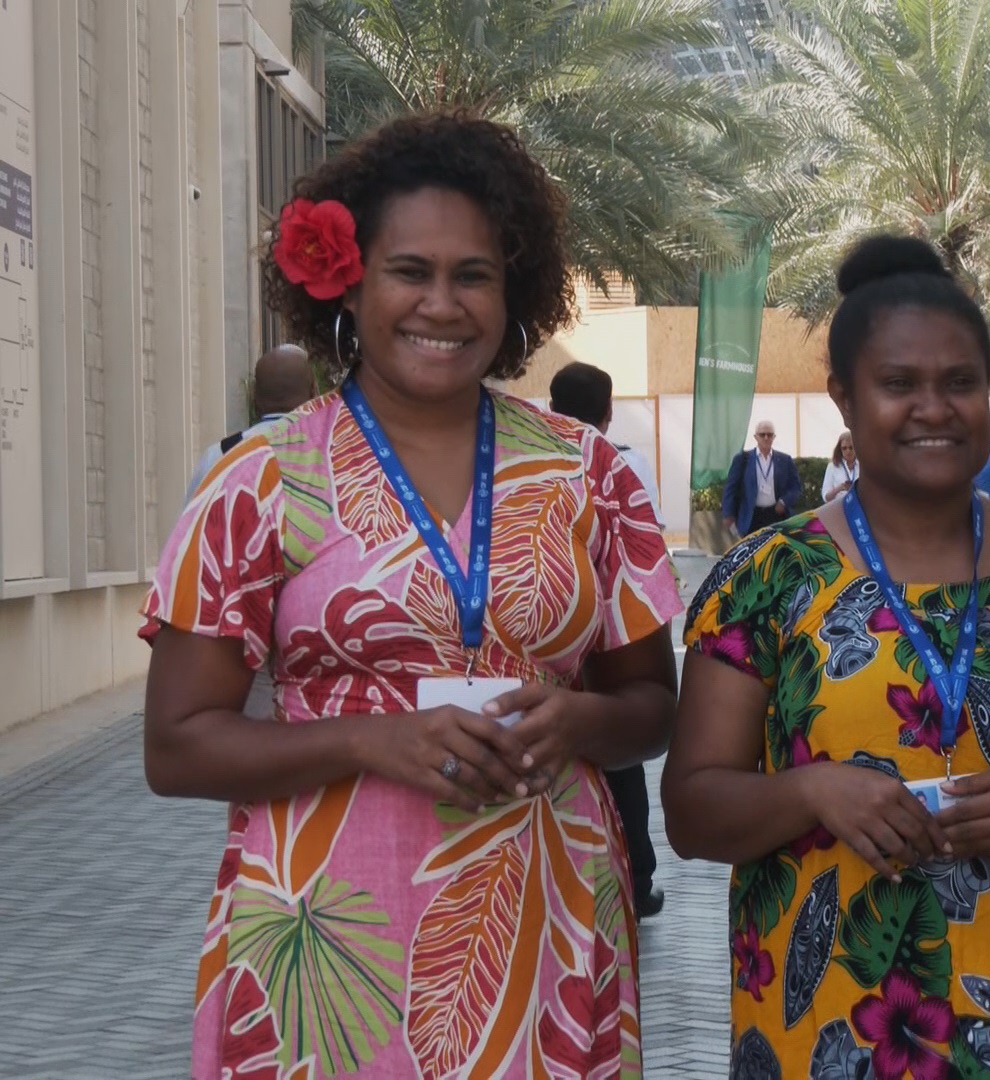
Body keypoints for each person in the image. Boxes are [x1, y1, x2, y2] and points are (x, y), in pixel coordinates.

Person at [140, 111, 684, 1077]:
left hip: (542, 926)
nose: (443, 304)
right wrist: (368, 738)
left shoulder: (588, 475)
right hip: (323, 938)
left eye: (473, 274)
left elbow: (651, 709)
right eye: (410, 272)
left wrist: (575, 723)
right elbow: (177, 747)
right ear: (349, 283)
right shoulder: (261, 478)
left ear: (514, 292)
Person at [662, 235, 990, 1074]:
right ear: (844, 398)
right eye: (898, 385)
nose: (933, 408)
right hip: (830, 1024)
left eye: (960, 384)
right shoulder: (765, 577)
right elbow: (690, 813)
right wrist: (812, 791)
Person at [546, 359, 669, 919]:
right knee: (626, 778)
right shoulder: (624, 465)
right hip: (613, 653)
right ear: (610, 408)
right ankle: (638, 878)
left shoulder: (574, 467)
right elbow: (650, 548)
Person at [183, 344, 317, 502]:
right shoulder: (334, 456)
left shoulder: (219, 456)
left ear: (254, 395)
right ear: (313, 393)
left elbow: (191, 523)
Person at [548, 359, 663, 510]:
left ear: (551, 410)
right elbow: (652, 528)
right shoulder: (632, 463)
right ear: (609, 409)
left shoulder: (533, 464)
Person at [721, 419, 802, 537]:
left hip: (775, 515)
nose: (766, 438)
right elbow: (731, 488)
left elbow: (796, 487)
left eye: (769, 435)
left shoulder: (785, 460)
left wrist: (784, 501)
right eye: (762, 434)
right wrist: (728, 514)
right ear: (755, 437)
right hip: (751, 516)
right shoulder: (743, 459)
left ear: (774, 437)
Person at [820, 429, 859, 501]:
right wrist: (839, 488)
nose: (848, 451)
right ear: (840, 449)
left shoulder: (862, 466)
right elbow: (826, 497)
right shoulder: (832, 467)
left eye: (851, 448)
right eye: (844, 448)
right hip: (838, 507)